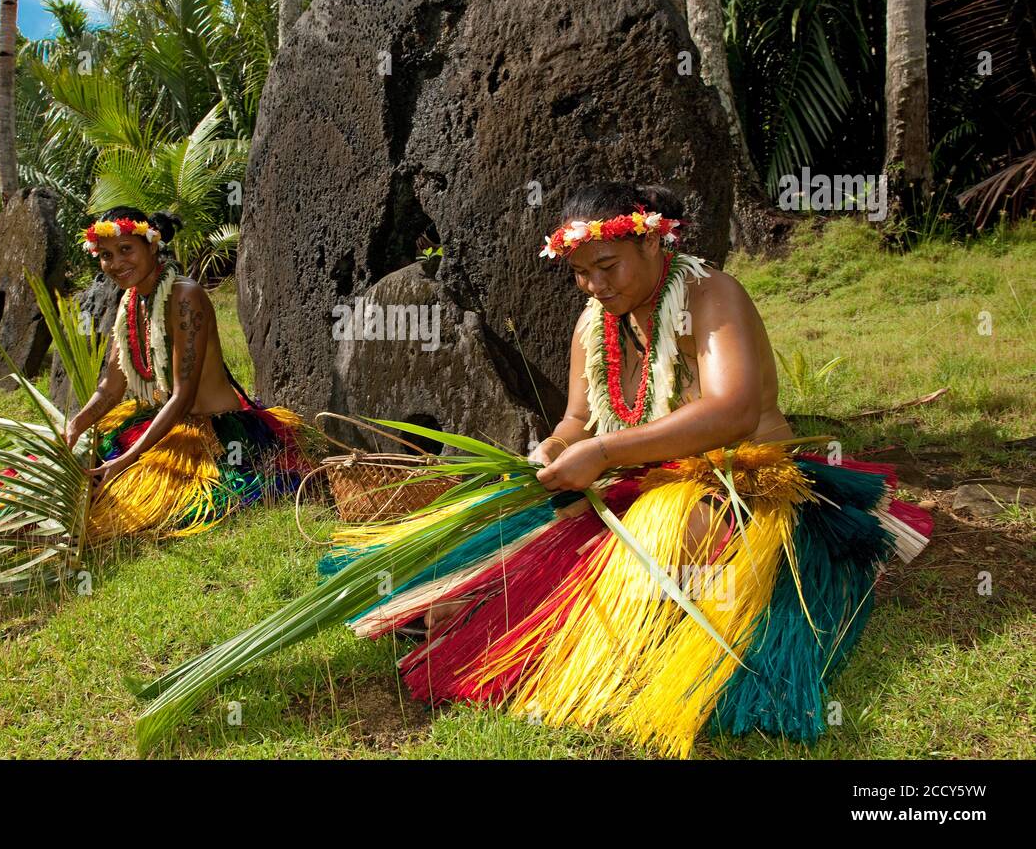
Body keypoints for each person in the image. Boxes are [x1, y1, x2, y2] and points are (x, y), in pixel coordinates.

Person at [133, 183, 934, 758]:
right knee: (507, 547)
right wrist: (554, 451)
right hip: (636, 481)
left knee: (661, 536)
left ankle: (605, 648)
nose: (592, 286)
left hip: (739, 483)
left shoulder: (711, 293)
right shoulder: (596, 319)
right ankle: (489, 618)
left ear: (655, 242)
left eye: (609, 267)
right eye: (582, 273)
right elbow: (579, 420)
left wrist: (608, 455)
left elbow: (728, 412)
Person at [63, 207, 318, 540]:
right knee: (81, 473)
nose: (116, 263)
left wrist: (125, 461)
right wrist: (74, 427)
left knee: (124, 502)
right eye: (107, 255)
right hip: (162, 420)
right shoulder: (130, 300)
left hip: (212, 432)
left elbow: (182, 397)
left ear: (152, 245)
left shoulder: (185, 296)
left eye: (127, 250)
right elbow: (112, 388)